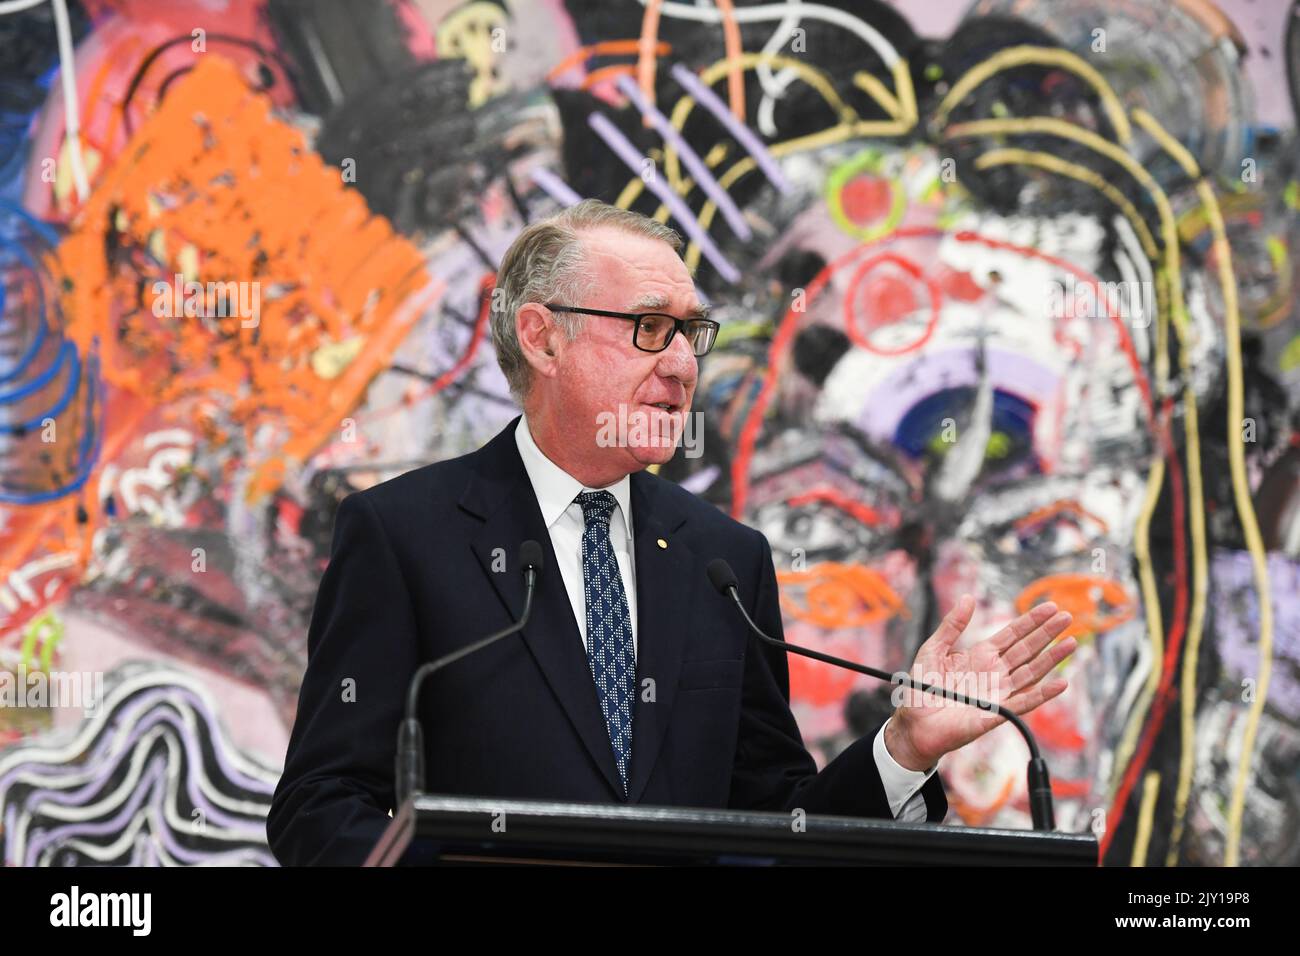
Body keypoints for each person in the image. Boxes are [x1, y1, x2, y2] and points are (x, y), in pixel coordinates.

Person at [266, 199, 1077, 865]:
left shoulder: (724, 560)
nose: (684, 364)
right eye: (651, 328)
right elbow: (320, 807)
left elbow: (774, 827)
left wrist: (902, 749)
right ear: (544, 337)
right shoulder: (405, 535)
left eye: (693, 333)